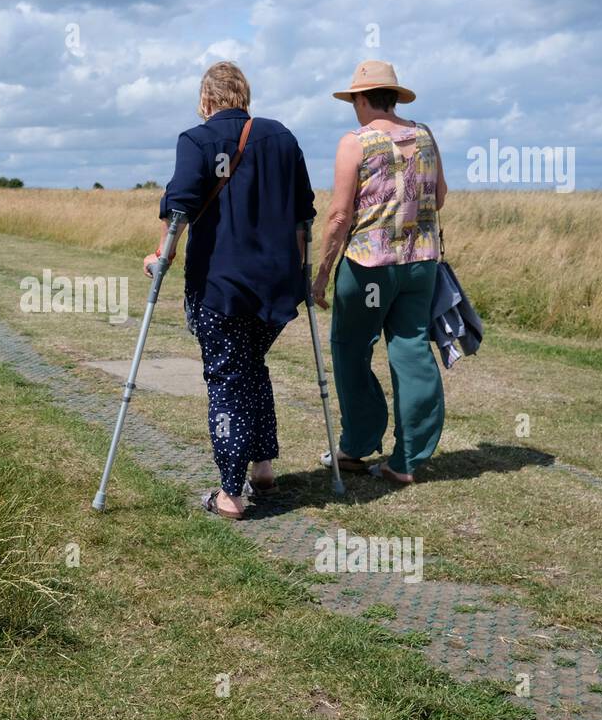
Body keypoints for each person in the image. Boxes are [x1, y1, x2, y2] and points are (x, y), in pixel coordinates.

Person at [145, 62, 315, 519]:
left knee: (226, 380)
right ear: (244, 96)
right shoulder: (282, 137)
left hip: (222, 286)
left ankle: (229, 492)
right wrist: (301, 269)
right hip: (277, 287)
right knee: (250, 367)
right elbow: (304, 214)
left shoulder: (196, 139)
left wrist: (162, 255)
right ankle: (262, 467)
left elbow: (179, 206)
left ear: (206, 100)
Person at [310, 60, 447, 485]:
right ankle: (406, 459)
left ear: (363, 99)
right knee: (412, 351)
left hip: (369, 267)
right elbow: (439, 197)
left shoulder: (355, 142)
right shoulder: (424, 135)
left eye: (355, 99)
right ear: (395, 97)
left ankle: (357, 443)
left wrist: (321, 273)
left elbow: (338, 215)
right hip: (421, 261)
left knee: (351, 349)